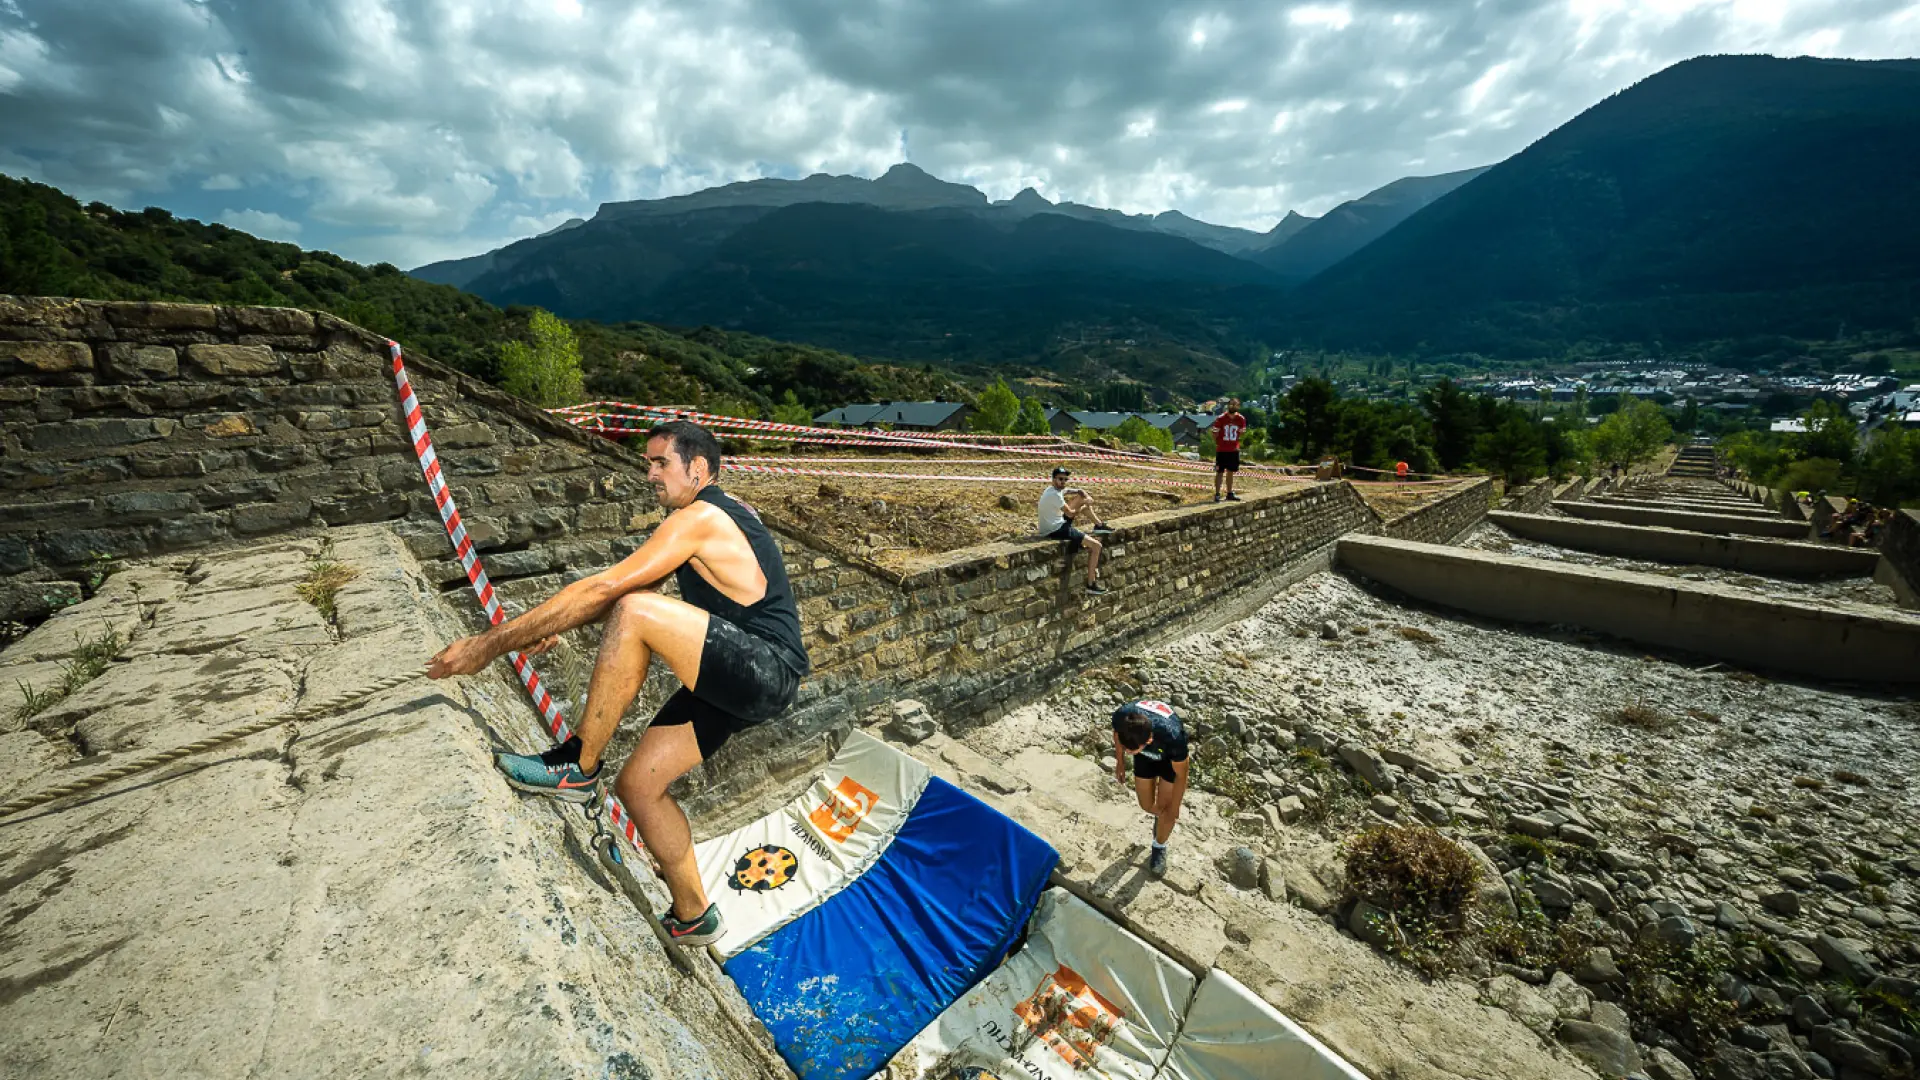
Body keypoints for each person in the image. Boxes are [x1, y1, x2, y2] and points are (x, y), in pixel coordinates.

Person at [425, 420, 809, 948]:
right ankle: (694, 913)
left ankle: (576, 764)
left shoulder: (700, 517)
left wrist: (490, 643)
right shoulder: (717, 513)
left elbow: (615, 591)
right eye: (647, 462)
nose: (648, 473)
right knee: (638, 787)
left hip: (763, 665)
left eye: (660, 463)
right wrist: (556, 626)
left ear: (697, 468)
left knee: (634, 610)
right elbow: (637, 588)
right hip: (741, 674)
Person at [1110, 700, 1190, 877]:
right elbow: (1117, 734)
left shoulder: (1173, 736)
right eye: (1127, 749)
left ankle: (1159, 846)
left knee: (1166, 809)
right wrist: (1120, 762)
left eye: (1132, 750)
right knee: (1146, 805)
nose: (1129, 752)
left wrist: (1175, 807)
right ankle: (1159, 818)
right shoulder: (1123, 717)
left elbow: (1182, 774)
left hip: (1169, 760)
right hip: (1145, 756)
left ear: (1149, 739)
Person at [1038, 466, 1114, 594]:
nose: (1063, 482)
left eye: (1065, 479)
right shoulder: (1055, 495)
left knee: (1080, 498)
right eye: (1060, 479)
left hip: (1055, 524)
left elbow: (1066, 491)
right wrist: (1085, 505)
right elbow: (1071, 513)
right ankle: (1091, 583)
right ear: (1053, 479)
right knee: (1097, 546)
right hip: (1057, 530)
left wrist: (1080, 490)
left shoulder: (1052, 490)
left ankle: (1099, 526)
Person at [1209, 399, 1246, 502]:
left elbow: (1242, 432)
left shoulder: (1241, 419)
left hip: (1233, 449)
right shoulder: (1221, 418)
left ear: (1238, 406)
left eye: (1235, 405)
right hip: (1222, 449)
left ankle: (1229, 493)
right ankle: (1217, 494)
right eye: (1231, 404)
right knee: (1219, 472)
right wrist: (1218, 441)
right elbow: (1214, 432)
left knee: (1231, 472)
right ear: (1228, 405)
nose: (1233, 406)